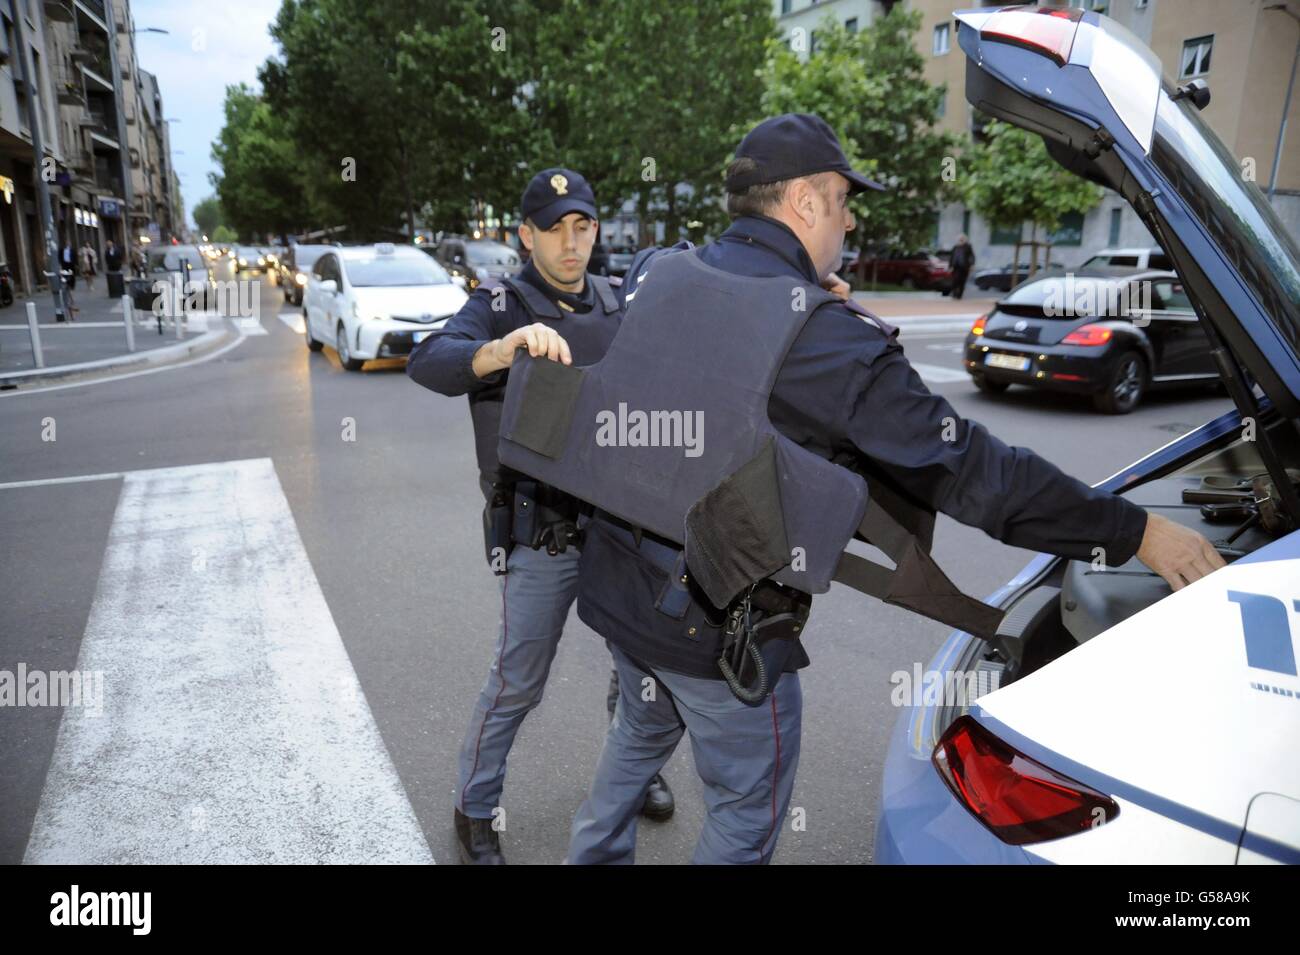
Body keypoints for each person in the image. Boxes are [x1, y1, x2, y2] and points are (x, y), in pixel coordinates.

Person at [549, 113, 1225, 865]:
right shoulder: (832, 338)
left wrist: (802, 300)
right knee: (743, 811)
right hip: (713, 631)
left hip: (616, 591)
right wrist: (1134, 531)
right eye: (843, 201)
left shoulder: (658, 273)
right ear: (806, 201)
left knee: (634, 740)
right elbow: (974, 472)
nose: (850, 218)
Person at [406, 168, 675, 865]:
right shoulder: (499, 300)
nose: (571, 242)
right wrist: (500, 349)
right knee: (520, 678)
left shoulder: (618, 301)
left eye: (582, 226)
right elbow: (428, 360)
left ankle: (631, 773)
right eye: (554, 228)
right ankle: (473, 805)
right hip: (544, 529)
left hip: (621, 525)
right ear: (526, 235)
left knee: (641, 665)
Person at [949, 233, 974, 299]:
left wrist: (972, 265)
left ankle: (959, 295)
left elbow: (971, 256)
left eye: (962, 239)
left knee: (962, 282)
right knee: (955, 280)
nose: (961, 240)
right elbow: (952, 257)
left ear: (965, 240)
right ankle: (954, 294)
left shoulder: (968, 247)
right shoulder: (955, 247)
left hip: (964, 267)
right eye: (960, 239)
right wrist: (950, 266)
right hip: (955, 267)